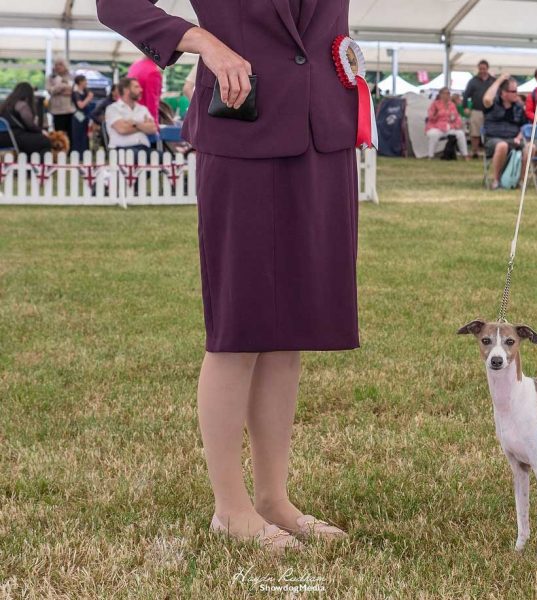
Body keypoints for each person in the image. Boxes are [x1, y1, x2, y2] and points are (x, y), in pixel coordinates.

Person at [98, 0, 360, 552]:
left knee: (291, 332)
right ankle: (230, 508)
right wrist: (204, 43)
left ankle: (273, 499)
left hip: (323, 137)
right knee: (237, 329)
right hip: (242, 129)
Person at [481, 74, 533, 189]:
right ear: (503, 93)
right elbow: (486, 99)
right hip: (493, 140)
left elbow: (524, 126)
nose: (516, 94)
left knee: (531, 147)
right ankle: (496, 181)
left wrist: (520, 136)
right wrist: (499, 80)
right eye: (513, 91)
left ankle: (521, 181)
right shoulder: (493, 104)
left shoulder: (519, 107)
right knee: (502, 145)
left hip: (514, 139)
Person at [105, 78, 157, 154]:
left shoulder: (143, 109)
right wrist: (144, 126)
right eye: (136, 87)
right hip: (121, 149)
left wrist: (135, 123)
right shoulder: (113, 109)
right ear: (126, 90)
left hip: (144, 148)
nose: (141, 90)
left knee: (167, 158)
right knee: (138, 156)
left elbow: (153, 129)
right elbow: (122, 129)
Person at [0, 82, 52, 155]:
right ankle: (38, 165)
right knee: (45, 141)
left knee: (31, 141)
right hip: (14, 138)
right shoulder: (22, 105)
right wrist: (41, 131)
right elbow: (30, 125)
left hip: (3, 138)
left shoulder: (6, 104)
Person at [425, 85, 468, 158]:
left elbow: (457, 117)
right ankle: (430, 155)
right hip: (436, 127)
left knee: (460, 133)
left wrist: (457, 125)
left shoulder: (452, 105)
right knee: (433, 135)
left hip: (449, 127)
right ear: (441, 94)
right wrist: (437, 114)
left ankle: (465, 155)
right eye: (446, 93)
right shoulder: (435, 104)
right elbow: (430, 117)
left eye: (449, 93)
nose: (448, 95)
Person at [462, 60, 494, 155]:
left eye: (484, 69)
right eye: (480, 69)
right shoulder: (473, 81)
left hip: (491, 111)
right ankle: (474, 152)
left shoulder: (493, 81)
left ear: (487, 69)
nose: (482, 70)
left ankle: (490, 152)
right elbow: (466, 95)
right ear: (478, 69)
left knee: (491, 133)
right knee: (474, 133)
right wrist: (465, 107)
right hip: (476, 110)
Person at [127, 54, 164, 123]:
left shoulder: (134, 65)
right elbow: (152, 103)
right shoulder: (153, 72)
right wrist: (155, 126)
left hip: (129, 117)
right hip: (144, 121)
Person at [47, 59, 77, 137]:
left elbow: (74, 89)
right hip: (57, 110)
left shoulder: (71, 76)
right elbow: (50, 90)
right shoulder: (51, 77)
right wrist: (63, 86)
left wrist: (58, 89)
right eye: (56, 64)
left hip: (69, 109)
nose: (58, 67)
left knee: (70, 133)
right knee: (58, 134)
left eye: (60, 64)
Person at [71, 74, 97, 154]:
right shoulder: (76, 93)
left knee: (85, 134)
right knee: (78, 134)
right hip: (78, 115)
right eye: (85, 81)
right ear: (80, 82)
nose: (86, 82)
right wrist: (88, 98)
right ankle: (78, 152)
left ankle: (84, 151)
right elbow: (80, 105)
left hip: (85, 115)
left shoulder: (85, 92)